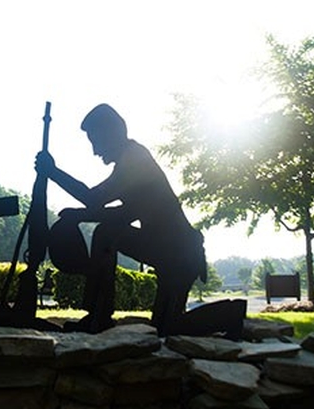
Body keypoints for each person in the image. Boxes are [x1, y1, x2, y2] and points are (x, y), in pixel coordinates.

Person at [36, 103, 206, 335]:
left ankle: (100, 317)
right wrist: (79, 215)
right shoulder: (131, 160)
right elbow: (124, 213)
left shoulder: (135, 160)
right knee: (107, 232)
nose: (95, 151)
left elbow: (95, 200)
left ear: (112, 133)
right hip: (170, 251)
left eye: (96, 142)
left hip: (179, 255)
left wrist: (54, 173)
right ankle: (98, 314)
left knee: (170, 329)